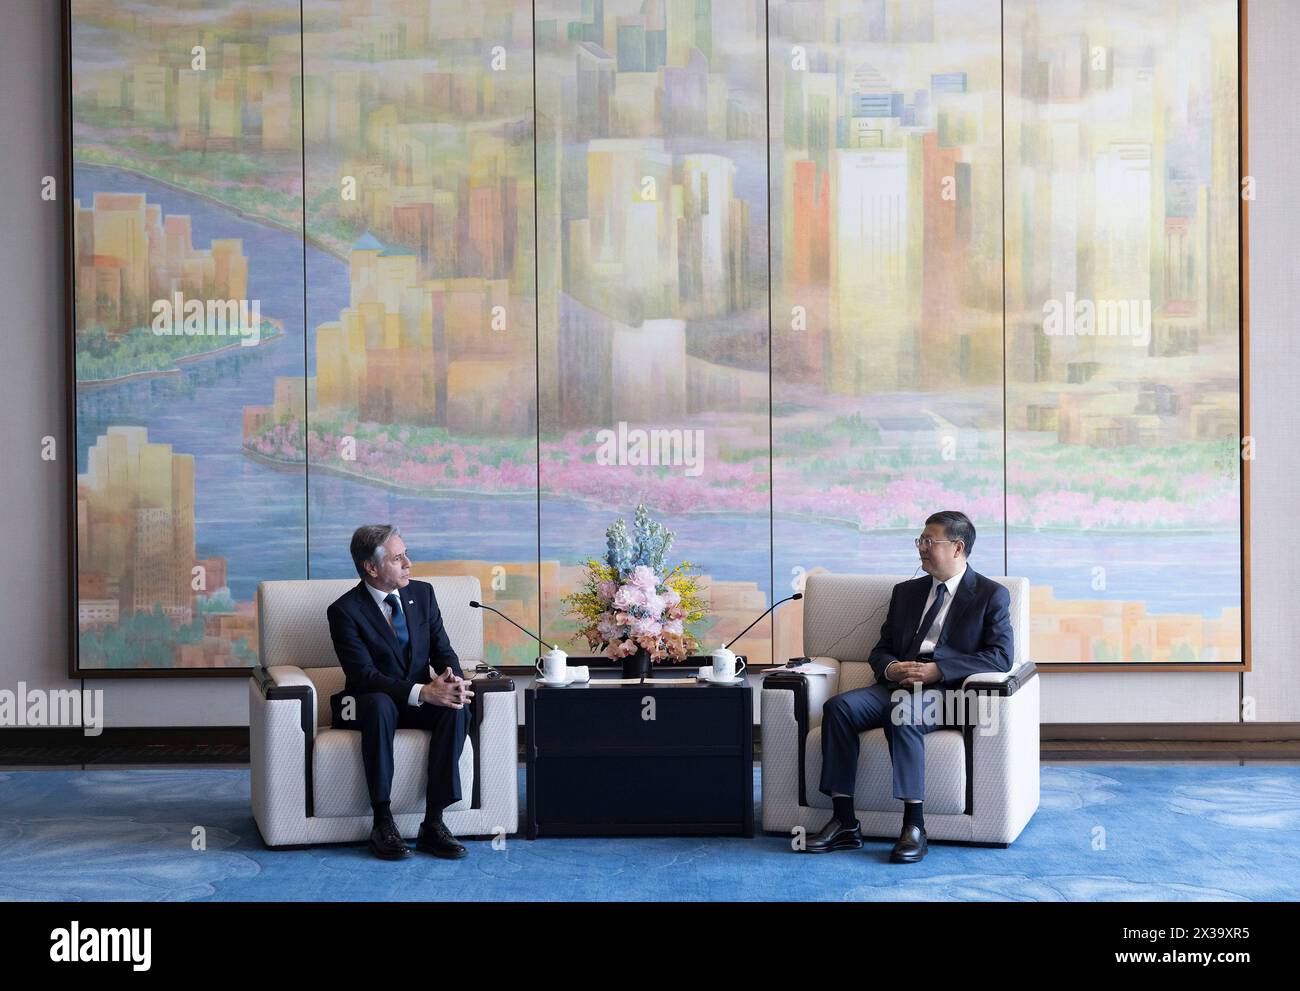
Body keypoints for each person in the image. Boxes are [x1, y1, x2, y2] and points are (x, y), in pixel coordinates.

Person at [802, 510, 1014, 863]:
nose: (922, 548)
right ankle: (843, 822)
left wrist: (938, 671)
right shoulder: (906, 593)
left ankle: (914, 826)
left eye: (930, 541)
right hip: (894, 686)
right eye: (921, 540)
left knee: (903, 714)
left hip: (947, 693)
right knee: (838, 708)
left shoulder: (991, 595)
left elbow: (1001, 657)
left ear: (958, 547)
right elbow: (880, 649)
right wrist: (891, 667)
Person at [327, 523, 475, 861]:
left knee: (456, 706)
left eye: (406, 554)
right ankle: (382, 822)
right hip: (371, 699)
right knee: (378, 705)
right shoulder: (344, 611)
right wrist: (424, 692)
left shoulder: (422, 594)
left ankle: (434, 824)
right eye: (398, 558)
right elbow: (363, 675)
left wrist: (453, 681)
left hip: (419, 697)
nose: (409, 564)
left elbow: (443, 650)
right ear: (372, 568)